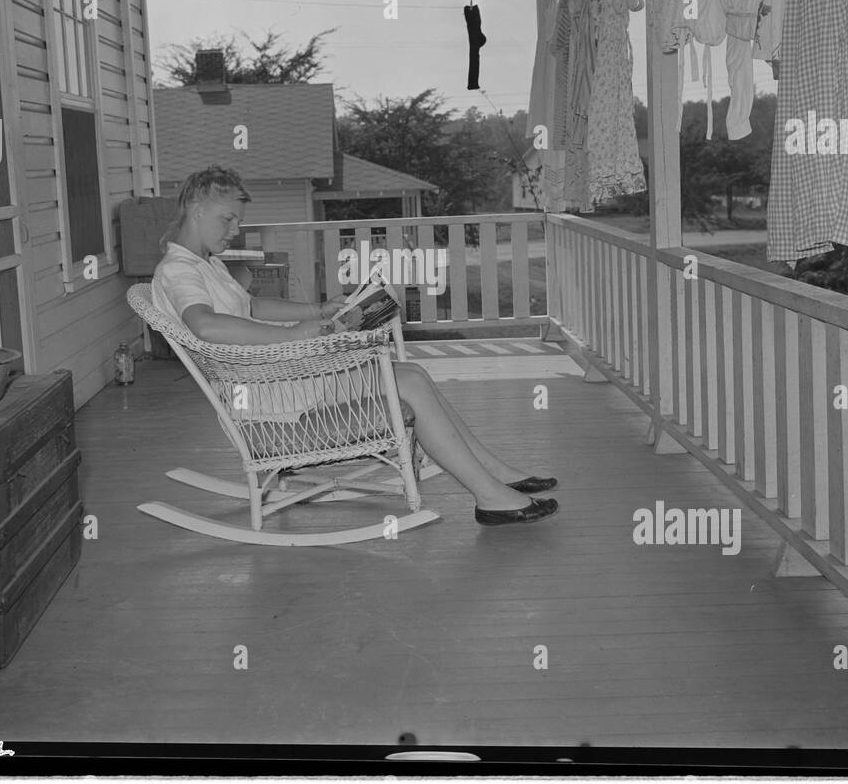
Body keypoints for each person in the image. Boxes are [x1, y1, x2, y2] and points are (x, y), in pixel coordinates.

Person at [151, 166, 559, 526]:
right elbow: (205, 325)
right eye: (227, 219)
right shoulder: (178, 269)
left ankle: (494, 474)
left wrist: (316, 310)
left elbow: (252, 304)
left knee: (413, 373)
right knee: (410, 384)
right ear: (196, 209)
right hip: (270, 396)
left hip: (278, 380)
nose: (234, 229)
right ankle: (490, 497)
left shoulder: (206, 264)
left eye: (237, 221)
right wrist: (294, 335)